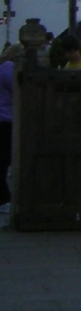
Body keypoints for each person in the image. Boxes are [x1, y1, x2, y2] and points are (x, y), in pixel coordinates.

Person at [0, 43, 17, 227]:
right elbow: (19, 92)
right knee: (5, 160)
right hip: (7, 119)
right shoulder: (9, 69)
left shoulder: (1, 67)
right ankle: (4, 197)